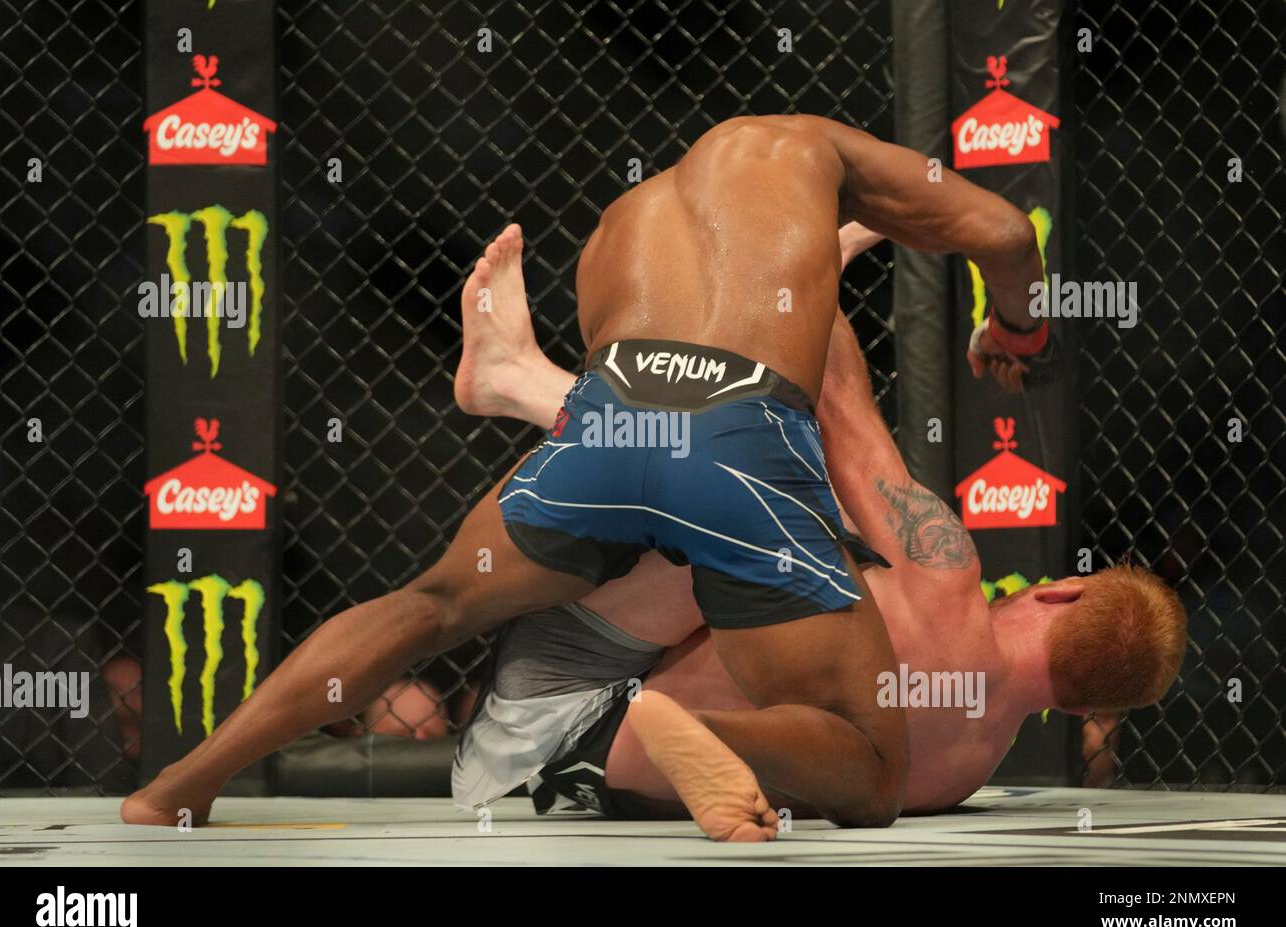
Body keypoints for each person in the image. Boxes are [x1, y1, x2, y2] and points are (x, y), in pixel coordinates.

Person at [124, 115, 1049, 840]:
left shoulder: (620, 225)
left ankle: (179, 785)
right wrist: (1020, 331)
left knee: (432, 603)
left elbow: (664, 378)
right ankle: (695, 731)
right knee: (872, 764)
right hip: (741, 440)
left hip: (610, 418)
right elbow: (1005, 232)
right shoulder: (811, 145)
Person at [450, 223, 1188, 817]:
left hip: (561, 700)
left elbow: (840, 404)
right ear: (1082, 703)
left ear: (1063, 592)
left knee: (737, 473)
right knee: (796, 518)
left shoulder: (941, 581)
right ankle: (519, 380)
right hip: (570, 780)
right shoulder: (963, 770)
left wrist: (811, 252)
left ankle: (515, 377)